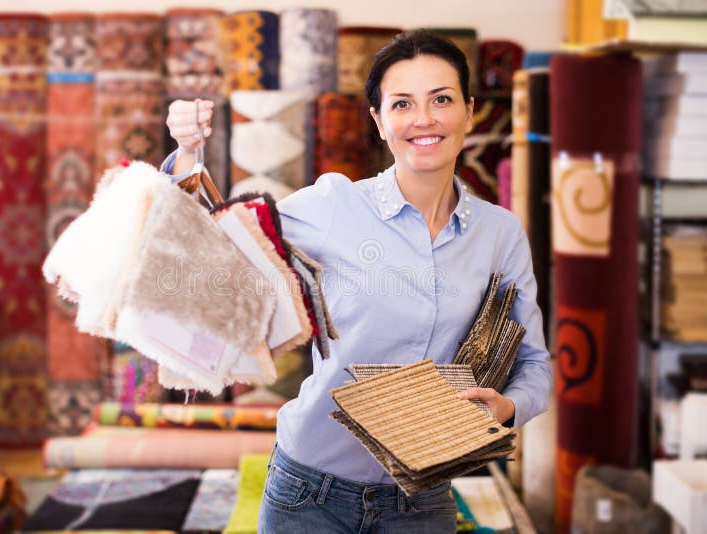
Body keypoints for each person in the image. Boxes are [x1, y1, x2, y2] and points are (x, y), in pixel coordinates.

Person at [166, 30, 552, 534]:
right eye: (402, 104)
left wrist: (508, 407)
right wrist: (186, 153)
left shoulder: (499, 233)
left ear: (469, 110)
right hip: (309, 493)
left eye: (441, 99)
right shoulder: (334, 205)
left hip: (422, 498)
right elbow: (214, 242)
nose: (424, 119)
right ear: (379, 120)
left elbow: (536, 365)